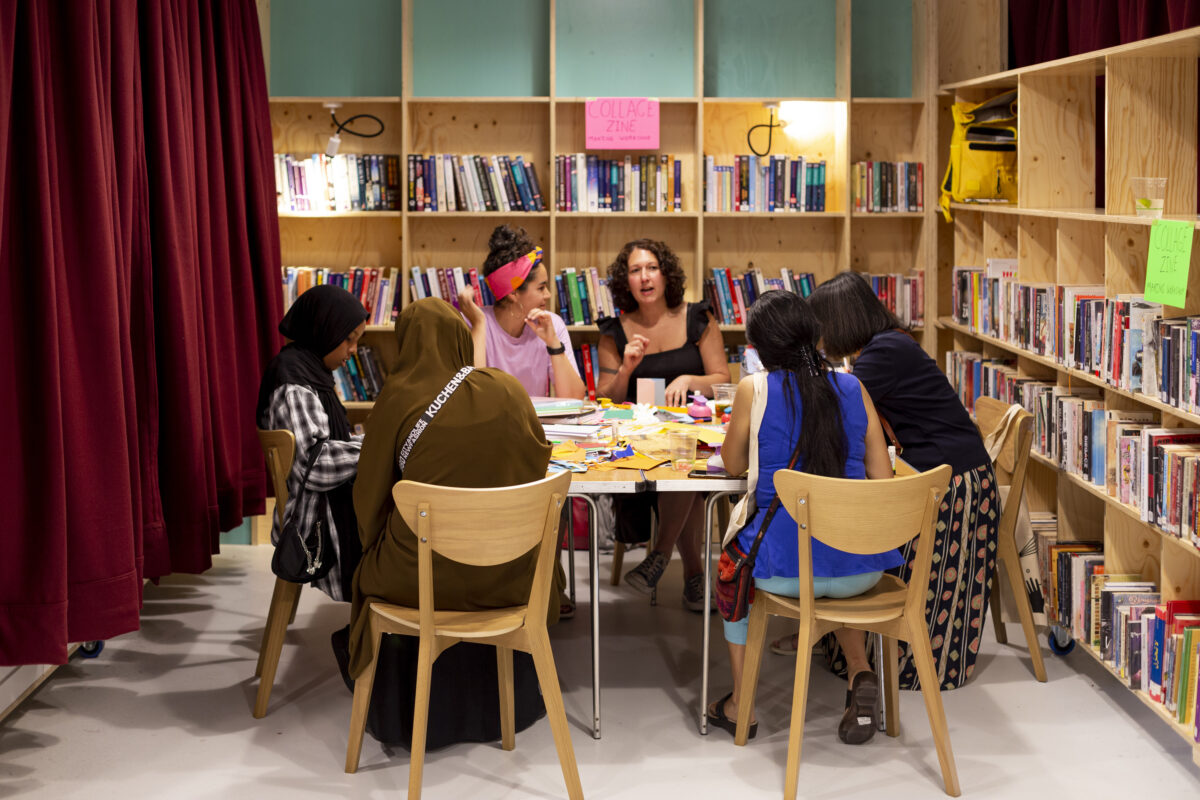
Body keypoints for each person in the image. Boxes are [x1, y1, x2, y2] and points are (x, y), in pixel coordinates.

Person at [347, 298, 562, 749]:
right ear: (461, 338)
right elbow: (537, 467)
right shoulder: (507, 391)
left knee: (368, 568)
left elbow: (369, 504)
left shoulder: (394, 401)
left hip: (420, 582)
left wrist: (373, 549)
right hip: (511, 577)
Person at [706, 290, 899, 745]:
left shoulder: (755, 389)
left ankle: (742, 705)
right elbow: (882, 475)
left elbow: (733, 465)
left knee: (731, 573)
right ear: (814, 333)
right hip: (861, 569)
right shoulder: (853, 387)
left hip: (786, 573)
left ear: (759, 347)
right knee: (831, 555)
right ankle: (860, 671)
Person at [804, 271, 998, 692]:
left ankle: (884, 660)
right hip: (941, 474)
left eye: (823, 325)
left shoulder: (883, 354)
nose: (821, 337)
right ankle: (847, 645)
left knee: (859, 540)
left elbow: (832, 411)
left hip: (953, 486)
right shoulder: (887, 344)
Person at [596, 238, 731, 610]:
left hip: (694, 436)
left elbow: (722, 377)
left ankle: (660, 556)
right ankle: (692, 576)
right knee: (681, 466)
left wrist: (689, 379)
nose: (645, 277)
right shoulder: (613, 331)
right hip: (638, 443)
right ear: (625, 281)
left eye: (652, 268)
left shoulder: (697, 318)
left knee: (684, 463)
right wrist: (626, 369)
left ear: (666, 273)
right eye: (635, 270)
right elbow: (605, 399)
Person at [255, 284, 368, 602]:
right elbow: (315, 464)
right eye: (349, 339)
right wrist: (377, 447)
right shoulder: (294, 384)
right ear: (326, 330)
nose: (353, 350)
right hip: (316, 523)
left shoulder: (311, 371)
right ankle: (380, 621)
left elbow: (328, 443)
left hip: (324, 506)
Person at [458, 224, 586, 400]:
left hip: (533, 419)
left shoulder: (552, 324)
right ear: (513, 293)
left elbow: (574, 398)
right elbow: (473, 396)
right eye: (541, 288)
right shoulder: (472, 323)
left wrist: (553, 343)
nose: (548, 295)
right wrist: (479, 324)